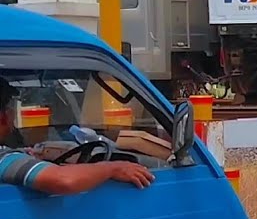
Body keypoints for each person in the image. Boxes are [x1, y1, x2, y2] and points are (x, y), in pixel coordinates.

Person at [0, 79, 154, 195]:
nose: (12, 114)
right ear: (3, 117)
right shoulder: (4, 159)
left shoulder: (12, 155)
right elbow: (64, 180)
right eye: (10, 108)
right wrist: (113, 168)